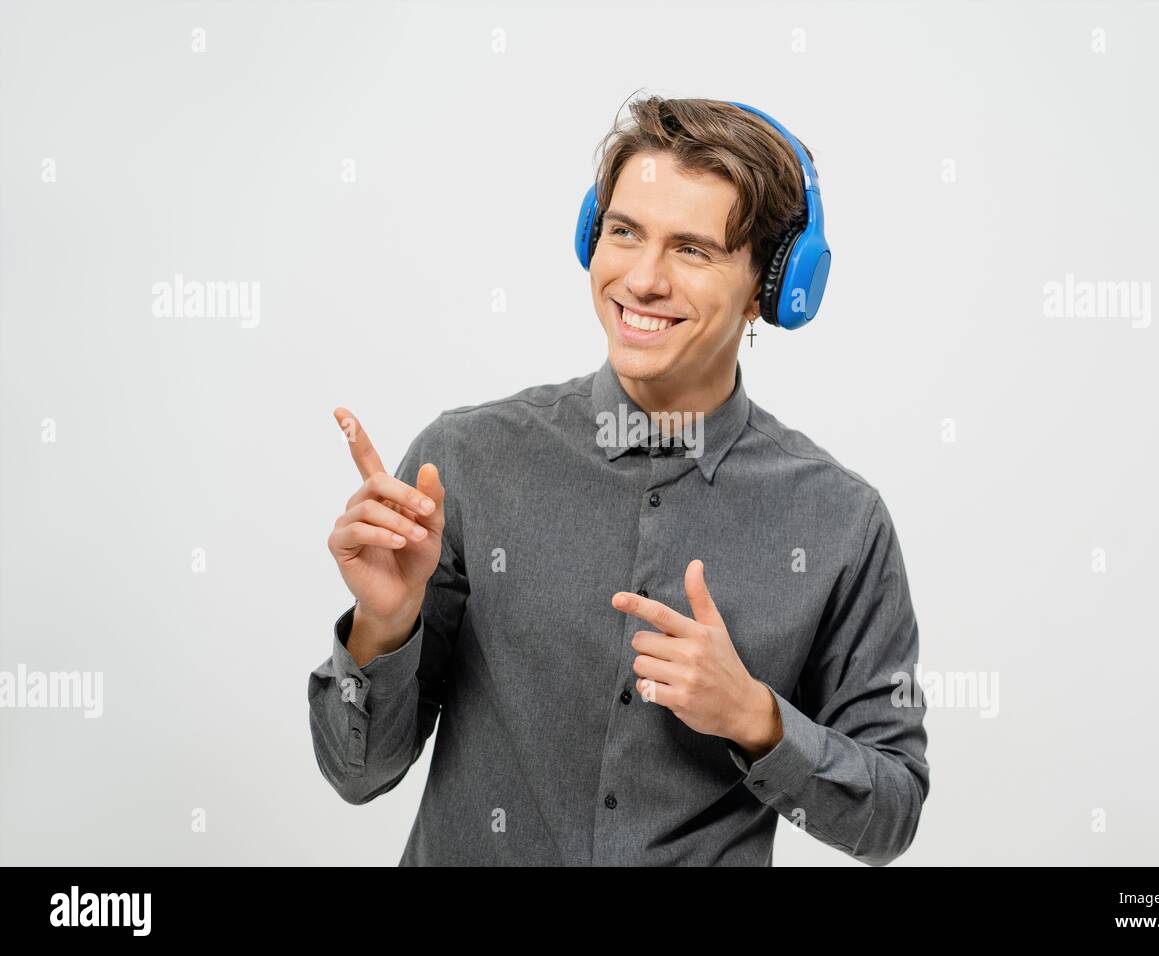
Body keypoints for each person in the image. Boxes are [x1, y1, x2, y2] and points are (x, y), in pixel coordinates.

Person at [309, 95, 929, 866]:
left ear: (772, 290)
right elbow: (356, 773)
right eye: (625, 232)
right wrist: (383, 629)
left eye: (693, 250)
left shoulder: (841, 522)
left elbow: (891, 814)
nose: (642, 280)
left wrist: (757, 720)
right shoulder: (465, 460)